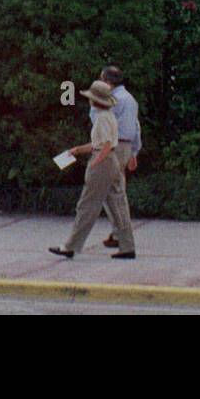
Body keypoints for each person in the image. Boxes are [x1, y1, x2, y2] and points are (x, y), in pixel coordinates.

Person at [49, 81, 136, 259]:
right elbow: (104, 142)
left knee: (87, 205)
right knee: (117, 204)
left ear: (95, 101)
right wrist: (78, 150)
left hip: (103, 163)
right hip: (112, 161)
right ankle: (127, 246)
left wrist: (96, 162)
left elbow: (105, 145)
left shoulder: (102, 118)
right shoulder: (110, 116)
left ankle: (70, 246)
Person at [97, 65, 141, 251]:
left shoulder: (112, 100)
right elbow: (136, 126)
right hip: (125, 146)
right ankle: (118, 234)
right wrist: (134, 151)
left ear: (107, 81)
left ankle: (123, 237)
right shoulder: (130, 99)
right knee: (115, 191)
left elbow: (101, 124)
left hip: (113, 147)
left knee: (114, 195)